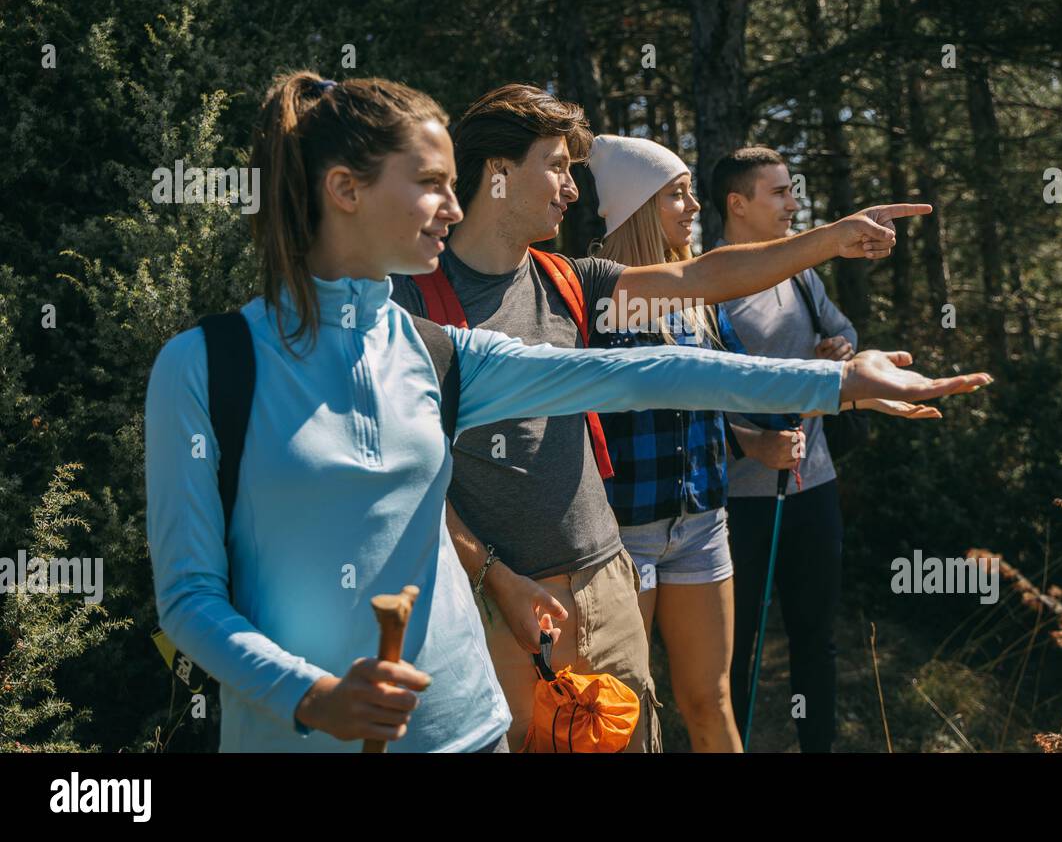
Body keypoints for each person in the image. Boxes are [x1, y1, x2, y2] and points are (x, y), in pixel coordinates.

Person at [146, 72, 990, 753]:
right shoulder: (207, 367)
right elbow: (187, 600)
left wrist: (838, 386)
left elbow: (648, 371)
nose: (450, 204)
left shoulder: (434, 351)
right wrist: (314, 698)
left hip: (473, 725)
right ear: (344, 190)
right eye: (432, 184)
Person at [389, 83, 957, 751]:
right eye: (557, 167)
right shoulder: (412, 301)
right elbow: (410, 476)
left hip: (606, 577)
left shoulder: (574, 282)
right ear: (500, 174)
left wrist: (828, 240)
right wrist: (495, 577)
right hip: (492, 600)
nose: (572, 190)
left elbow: (699, 278)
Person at [714, 145, 901, 752]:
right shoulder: (702, 284)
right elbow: (687, 403)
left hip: (813, 486)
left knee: (815, 637)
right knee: (735, 648)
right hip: (736, 502)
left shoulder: (801, 273)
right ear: (737, 205)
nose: (794, 204)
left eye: (794, 191)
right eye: (780, 193)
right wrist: (751, 446)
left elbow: (841, 331)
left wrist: (839, 352)